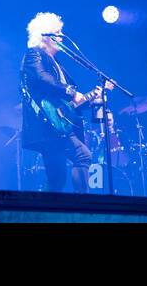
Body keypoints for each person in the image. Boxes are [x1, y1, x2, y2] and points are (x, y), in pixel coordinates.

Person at [20, 12, 97, 193]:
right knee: (82, 155)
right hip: (47, 124)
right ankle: (84, 206)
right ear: (45, 36)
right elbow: (41, 78)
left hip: (57, 126)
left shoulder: (58, 64)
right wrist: (71, 91)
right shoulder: (34, 54)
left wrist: (90, 100)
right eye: (58, 32)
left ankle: (43, 214)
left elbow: (67, 101)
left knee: (57, 178)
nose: (62, 36)